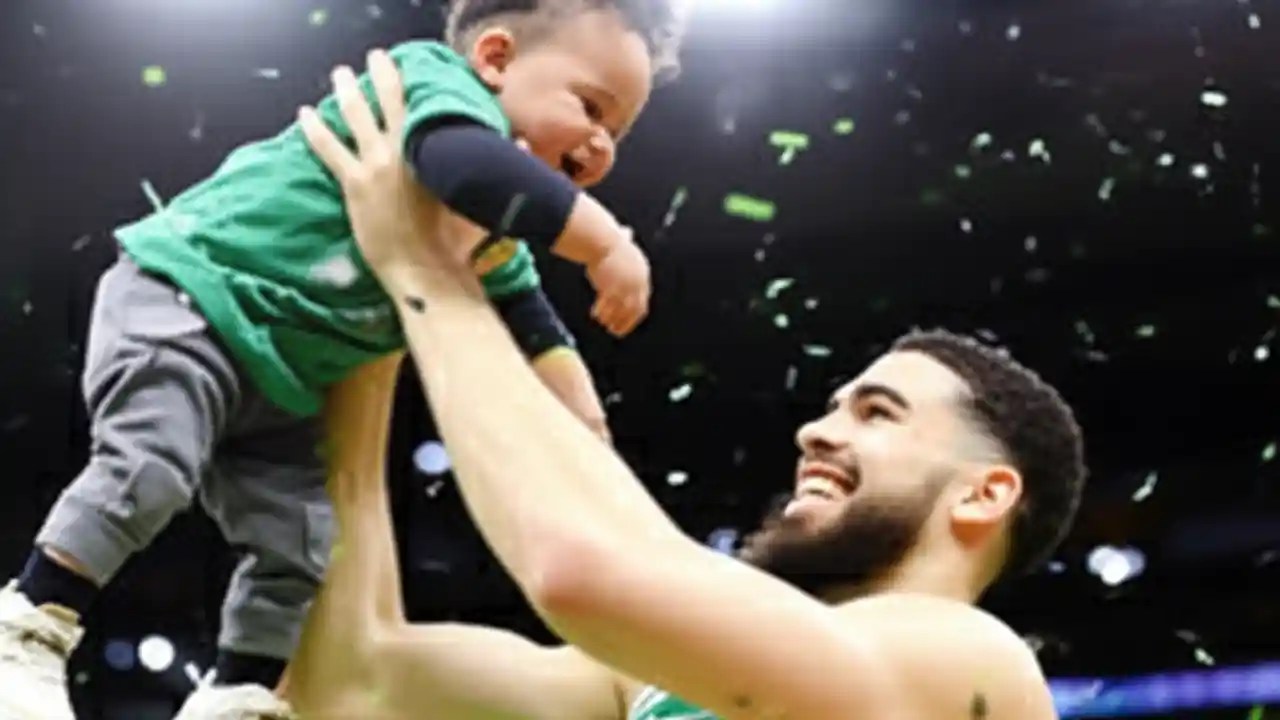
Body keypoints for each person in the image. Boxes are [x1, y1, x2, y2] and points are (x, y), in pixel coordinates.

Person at [277, 51, 1089, 719]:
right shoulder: (648, 685)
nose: (815, 431)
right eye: (833, 405)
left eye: (878, 412)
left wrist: (423, 267)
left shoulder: (974, 661)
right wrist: (363, 329)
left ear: (984, 495)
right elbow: (355, 679)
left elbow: (580, 568)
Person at [0, 2, 684, 718]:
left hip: (284, 378)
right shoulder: (435, 92)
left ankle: (240, 689)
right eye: (592, 107)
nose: (603, 143)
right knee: (152, 469)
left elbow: (531, 318)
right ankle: (32, 621)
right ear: (496, 58)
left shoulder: (489, 232)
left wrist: (586, 425)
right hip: (193, 299)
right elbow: (467, 166)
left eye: (619, 132)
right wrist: (604, 242)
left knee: (300, 545)